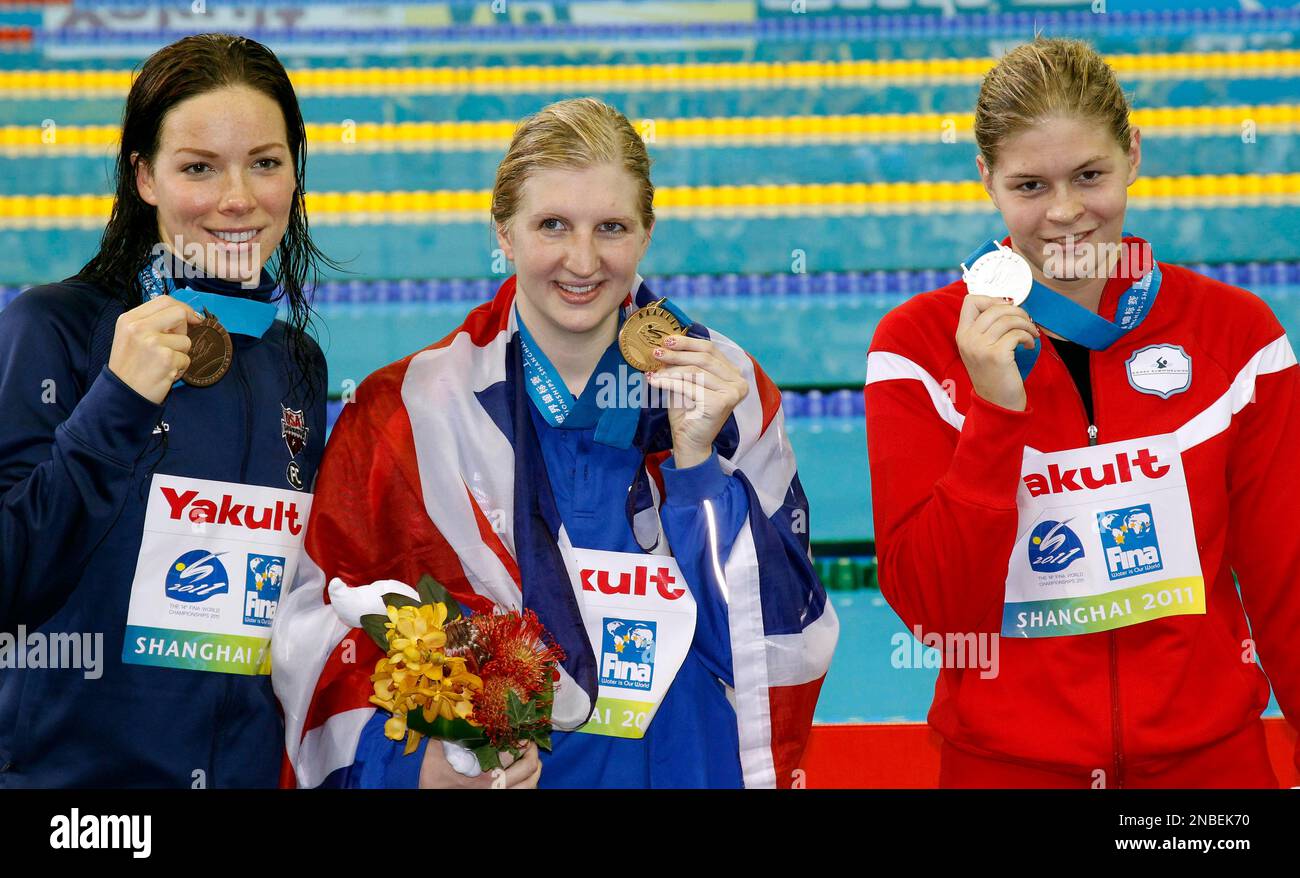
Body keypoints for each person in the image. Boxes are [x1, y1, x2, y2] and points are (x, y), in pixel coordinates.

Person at [272, 97, 837, 789]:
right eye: (552, 226)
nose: (583, 260)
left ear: (647, 233)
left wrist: (697, 473)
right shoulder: (407, 414)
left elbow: (775, 642)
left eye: (611, 227)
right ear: (503, 232)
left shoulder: (730, 393)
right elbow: (315, 619)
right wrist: (411, 766)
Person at [865, 37, 1300, 788]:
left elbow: (1286, 581)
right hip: (1005, 769)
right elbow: (941, 618)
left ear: (1133, 154)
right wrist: (996, 416)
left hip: (1209, 773)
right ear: (987, 180)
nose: (1066, 213)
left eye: (1090, 175)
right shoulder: (916, 348)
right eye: (1030, 185)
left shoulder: (1238, 335)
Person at [0, 33, 330, 788]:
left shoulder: (296, 365)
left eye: (266, 163)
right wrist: (114, 405)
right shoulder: (53, 330)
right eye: (199, 168)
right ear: (144, 177)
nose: (238, 197)